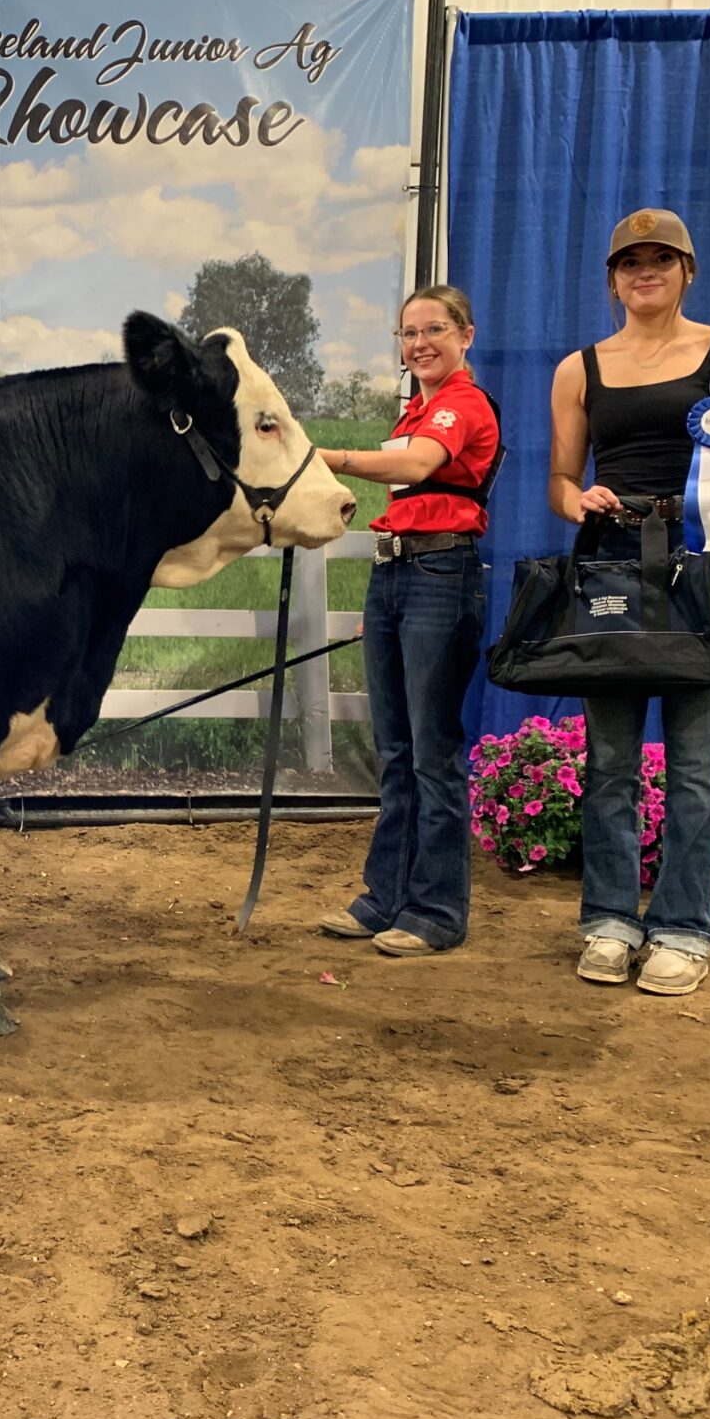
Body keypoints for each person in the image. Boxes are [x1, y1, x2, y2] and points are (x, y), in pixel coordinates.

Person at [547, 208, 710, 995]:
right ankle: (609, 920)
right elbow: (560, 480)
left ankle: (684, 927)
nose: (644, 271)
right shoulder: (580, 368)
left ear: (687, 271)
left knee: (694, 765)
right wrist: (580, 501)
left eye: (661, 259)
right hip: (612, 564)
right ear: (613, 279)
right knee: (608, 760)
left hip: (704, 567)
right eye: (629, 261)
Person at [315, 285, 502, 956]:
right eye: (408, 333)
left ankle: (437, 910)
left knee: (432, 754)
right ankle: (385, 896)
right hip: (395, 575)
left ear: (465, 336)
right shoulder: (419, 409)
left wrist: (328, 459)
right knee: (396, 753)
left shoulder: (463, 406)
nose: (419, 343)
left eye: (433, 330)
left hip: (439, 576)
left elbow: (418, 467)